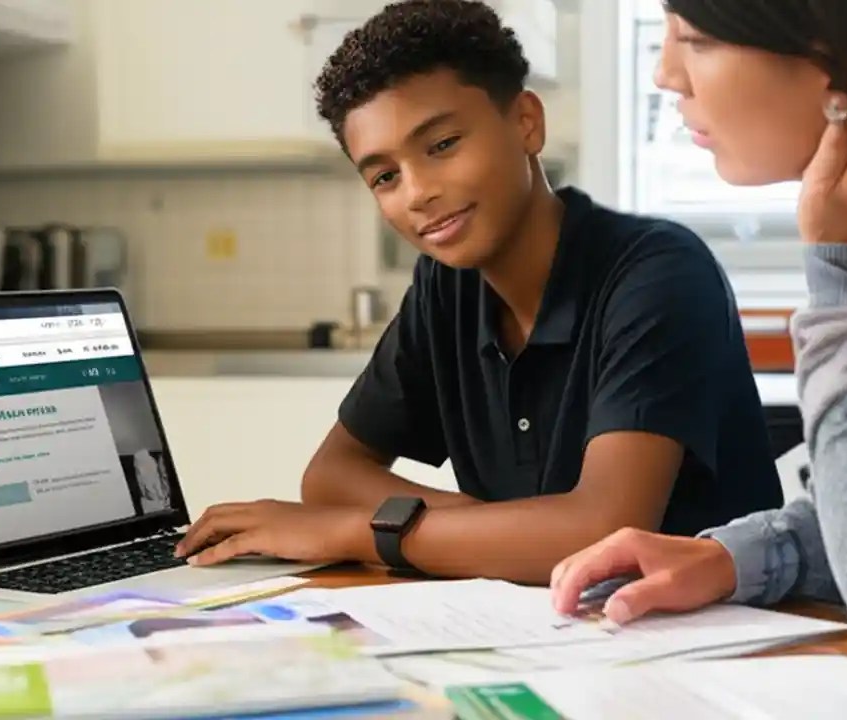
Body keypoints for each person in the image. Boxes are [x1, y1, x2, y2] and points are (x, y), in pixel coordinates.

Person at [174, 0, 781, 584]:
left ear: (525, 123)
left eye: (441, 145)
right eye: (385, 176)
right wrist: (497, 531)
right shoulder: (448, 285)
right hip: (544, 633)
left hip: (709, 643)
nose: (417, 193)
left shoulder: (658, 272)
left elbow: (602, 530)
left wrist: (360, 533)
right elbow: (332, 476)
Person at [550, 0, 847, 661]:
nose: (666, 73)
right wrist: (740, 557)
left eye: (694, 39)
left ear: (845, 67)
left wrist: (842, 287)